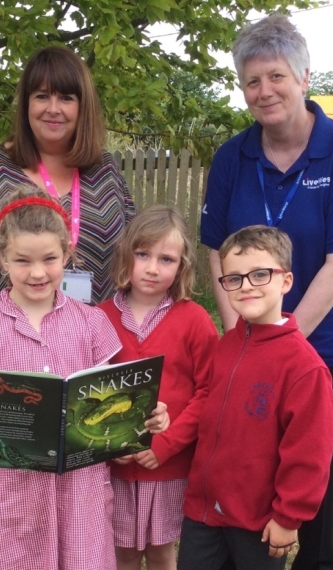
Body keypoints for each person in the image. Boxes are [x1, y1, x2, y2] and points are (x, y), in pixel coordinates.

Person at [199, 14, 333, 570]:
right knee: (249, 462)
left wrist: (282, 338)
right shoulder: (232, 157)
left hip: (329, 346)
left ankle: (316, 560)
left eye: (276, 76)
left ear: (304, 76)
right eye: (252, 81)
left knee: (316, 469)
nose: (264, 91)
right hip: (247, 341)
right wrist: (240, 334)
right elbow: (216, 250)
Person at [0, 188, 170, 570]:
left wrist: (145, 417)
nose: (37, 272)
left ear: (67, 253)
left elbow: (111, 400)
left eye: (49, 259)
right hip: (14, 491)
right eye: (22, 260)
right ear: (1, 258)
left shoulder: (91, 322)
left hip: (81, 490)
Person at [140, 226, 333, 570]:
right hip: (204, 510)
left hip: (258, 521)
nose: (246, 285)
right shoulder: (226, 346)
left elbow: (310, 452)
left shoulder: (304, 368)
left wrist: (289, 517)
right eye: (234, 278)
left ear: (285, 281)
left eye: (260, 274)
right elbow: (203, 407)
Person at [0, 45, 136, 376]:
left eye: (67, 98)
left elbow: (134, 259)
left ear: (83, 106)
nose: (53, 109)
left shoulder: (106, 172)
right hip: (0, 356)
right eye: (42, 96)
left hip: (86, 353)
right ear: (26, 102)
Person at [98, 205, 219, 570]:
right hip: (115, 465)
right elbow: (88, 390)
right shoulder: (98, 318)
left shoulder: (195, 320)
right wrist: (109, 448)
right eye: (142, 254)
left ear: (181, 265)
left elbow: (209, 392)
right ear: (126, 255)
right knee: (122, 553)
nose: (152, 268)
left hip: (168, 465)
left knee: (162, 551)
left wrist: (166, 445)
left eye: (166, 259)